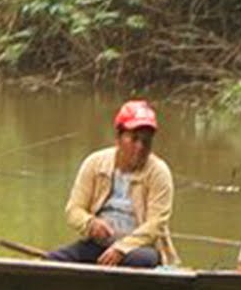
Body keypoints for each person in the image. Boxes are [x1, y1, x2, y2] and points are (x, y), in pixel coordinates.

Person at [50, 99, 180, 268]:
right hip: (99, 245)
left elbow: (155, 225)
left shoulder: (159, 172)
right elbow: (73, 210)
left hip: (137, 248)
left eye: (146, 141)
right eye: (134, 139)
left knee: (142, 260)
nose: (140, 147)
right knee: (54, 259)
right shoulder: (95, 163)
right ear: (118, 138)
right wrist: (90, 223)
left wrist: (122, 248)